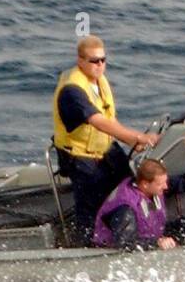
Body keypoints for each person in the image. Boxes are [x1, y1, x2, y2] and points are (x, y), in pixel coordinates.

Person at [51, 35, 162, 244]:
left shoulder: (99, 82)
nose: (100, 65)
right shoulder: (72, 90)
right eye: (94, 61)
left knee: (129, 189)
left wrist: (132, 142)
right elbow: (98, 121)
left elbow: (110, 119)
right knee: (90, 212)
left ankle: (133, 236)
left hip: (106, 151)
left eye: (103, 60)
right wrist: (135, 137)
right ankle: (85, 248)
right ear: (80, 61)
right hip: (82, 158)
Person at [92, 135, 185, 250]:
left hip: (151, 233)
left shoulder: (154, 186)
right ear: (145, 184)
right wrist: (157, 243)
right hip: (122, 246)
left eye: (165, 182)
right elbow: (124, 243)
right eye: (161, 184)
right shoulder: (126, 208)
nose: (166, 187)